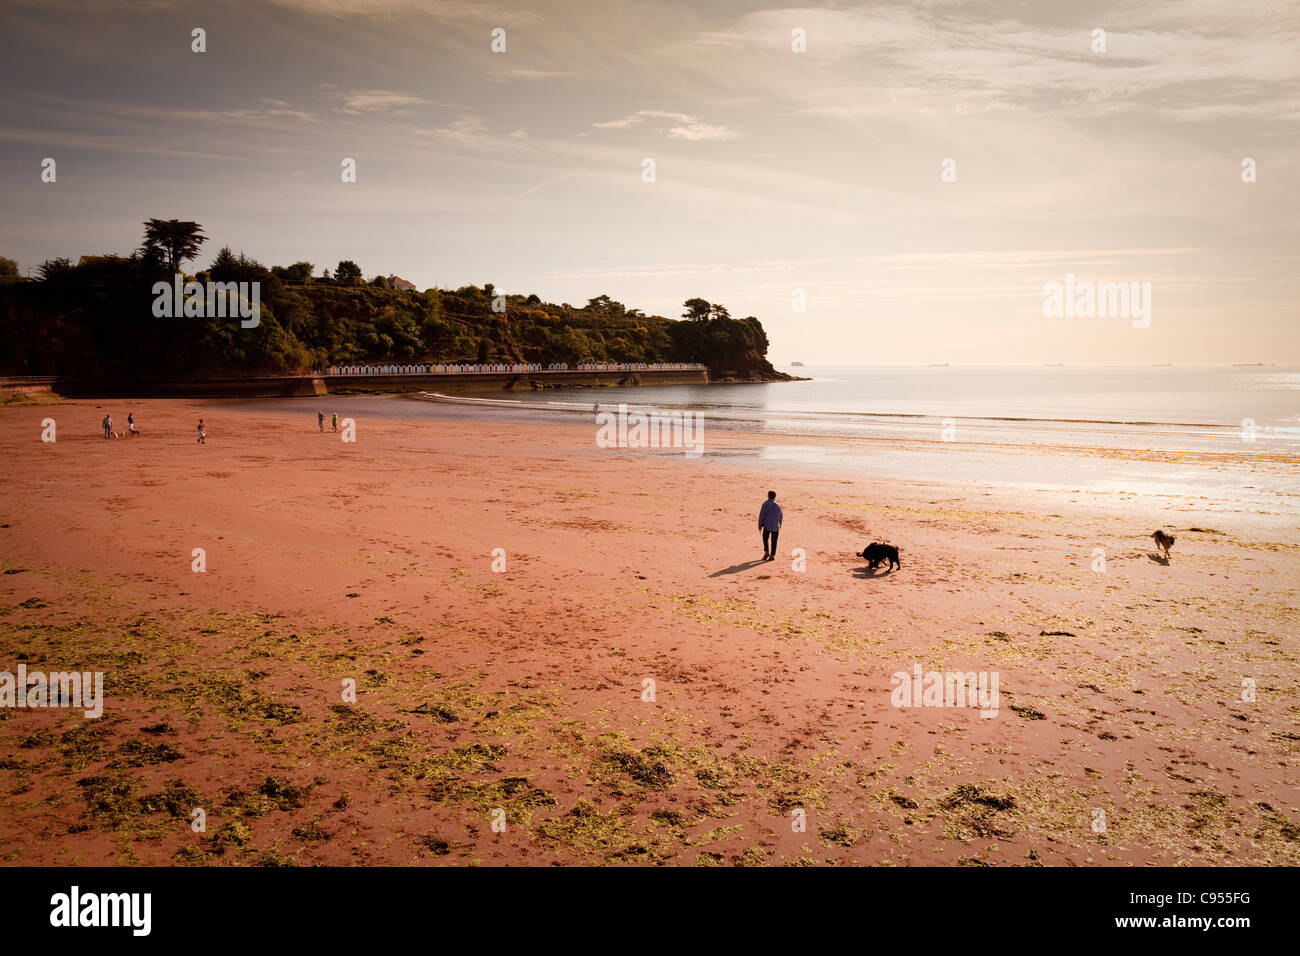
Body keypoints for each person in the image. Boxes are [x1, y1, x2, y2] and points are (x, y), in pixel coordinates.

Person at [758, 490, 782, 561]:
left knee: (765, 538)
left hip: (767, 525)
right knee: (774, 541)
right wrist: (780, 524)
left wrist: (760, 524)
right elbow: (781, 516)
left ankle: (766, 551)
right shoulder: (777, 505)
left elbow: (761, 515)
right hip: (775, 526)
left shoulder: (765, 504)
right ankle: (772, 555)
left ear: (769, 496)